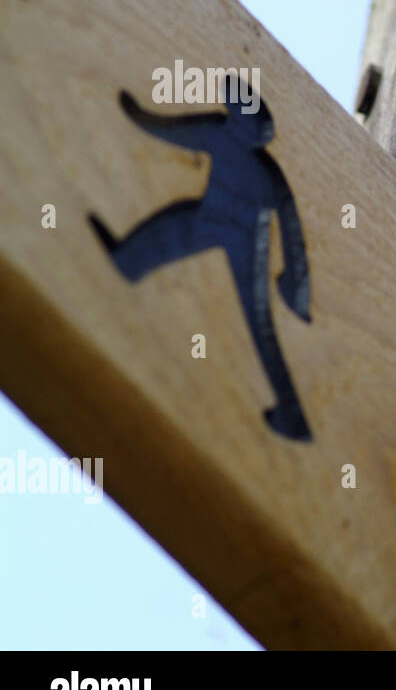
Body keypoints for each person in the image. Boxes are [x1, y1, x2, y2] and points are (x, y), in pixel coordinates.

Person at [90, 76, 312, 440]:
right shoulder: (218, 134)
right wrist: (137, 114)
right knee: (169, 230)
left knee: (259, 324)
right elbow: (174, 132)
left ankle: (292, 414)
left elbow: (291, 229)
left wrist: (295, 283)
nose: (234, 118)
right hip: (210, 217)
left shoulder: (262, 174)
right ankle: (126, 261)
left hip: (245, 240)